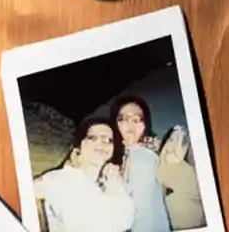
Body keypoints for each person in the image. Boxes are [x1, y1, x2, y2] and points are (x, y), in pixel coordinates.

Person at [34, 117, 135, 232]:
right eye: (93, 138)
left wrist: (115, 190)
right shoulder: (61, 179)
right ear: (78, 146)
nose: (102, 143)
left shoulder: (110, 182)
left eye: (109, 140)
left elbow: (127, 222)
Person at [112, 96, 171, 232]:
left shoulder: (151, 153)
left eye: (137, 119)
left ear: (145, 124)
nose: (130, 124)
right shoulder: (109, 155)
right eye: (123, 119)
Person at [158, 126, 206, 230]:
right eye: (171, 140)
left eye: (181, 141)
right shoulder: (157, 166)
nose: (173, 145)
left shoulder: (189, 171)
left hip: (194, 224)